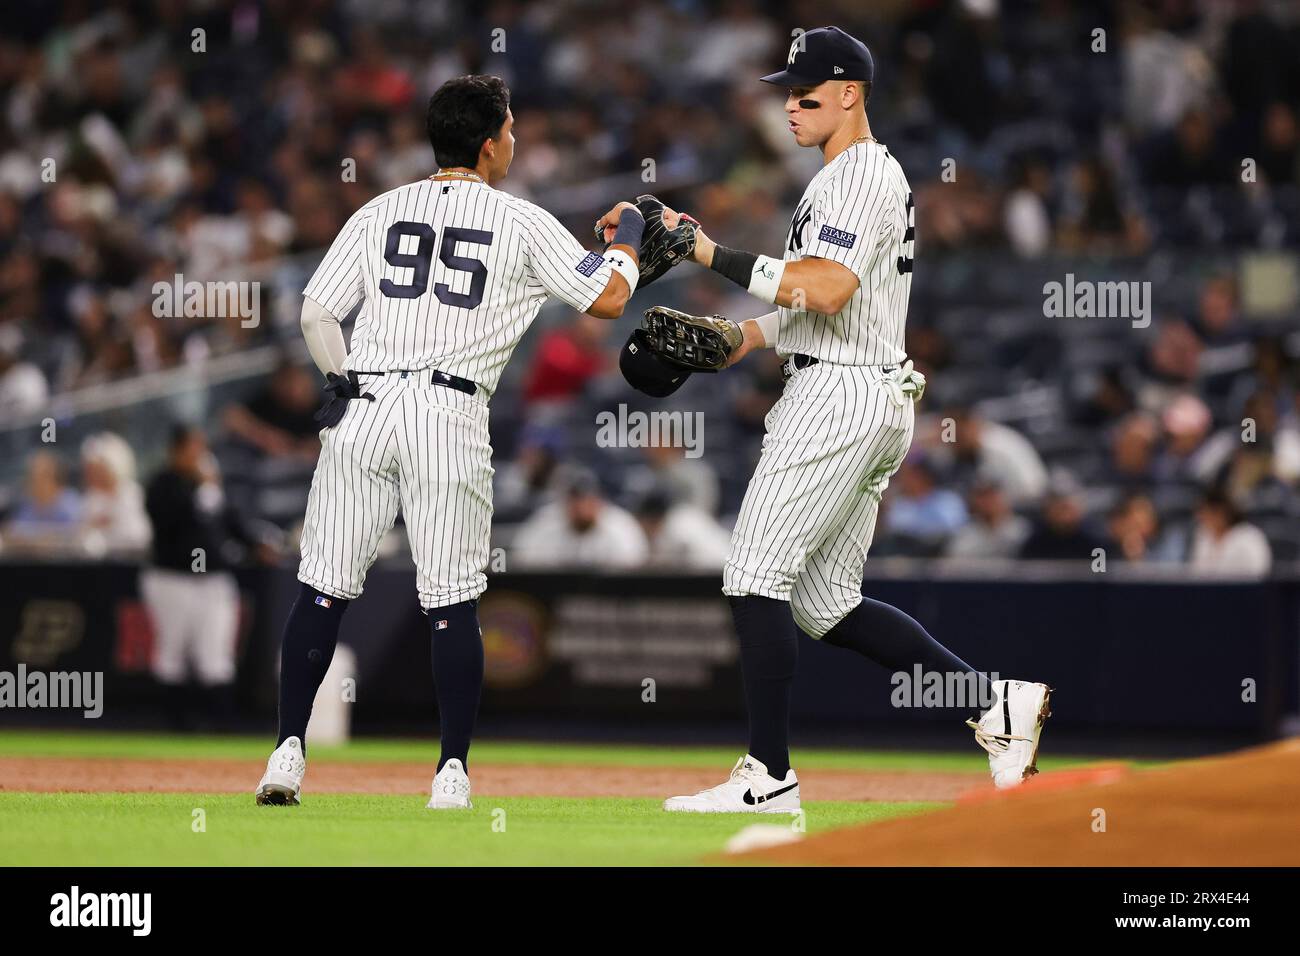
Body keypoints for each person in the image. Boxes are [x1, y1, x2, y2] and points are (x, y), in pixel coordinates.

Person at [640, 28, 1050, 813]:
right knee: (824, 604)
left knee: (753, 576)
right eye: (786, 92)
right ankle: (998, 707)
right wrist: (744, 336)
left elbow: (824, 290)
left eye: (806, 92)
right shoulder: (840, 177)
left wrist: (705, 251)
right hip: (863, 389)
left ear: (849, 94)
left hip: (839, 399)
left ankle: (769, 775)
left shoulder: (860, 174)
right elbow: (823, 305)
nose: (789, 105)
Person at [256, 75, 645, 809]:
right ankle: (450, 773)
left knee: (323, 589)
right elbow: (609, 298)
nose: (516, 142)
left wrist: (338, 381)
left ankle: (285, 755)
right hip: (447, 408)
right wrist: (627, 238)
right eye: (512, 130)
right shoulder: (521, 220)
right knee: (452, 602)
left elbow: (315, 314)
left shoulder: (380, 208)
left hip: (365, 402)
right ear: (492, 140)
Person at [142, 425, 279, 728]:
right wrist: (199, 490)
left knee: (216, 651)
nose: (200, 454)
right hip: (172, 578)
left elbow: (231, 523)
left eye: (202, 448)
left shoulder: (211, 488)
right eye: (193, 448)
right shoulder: (163, 485)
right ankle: (174, 726)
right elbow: (169, 524)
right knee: (172, 650)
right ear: (177, 451)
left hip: (214, 580)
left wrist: (258, 545)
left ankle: (222, 727)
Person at [510, 469, 648, 570]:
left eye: (586, 500)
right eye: (575, 500)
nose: (581, 507)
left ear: (598, 500)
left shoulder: (620, 525)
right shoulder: (545, 522)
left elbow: (634, 569)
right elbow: (521, 562)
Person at [80, 432, 152, 555]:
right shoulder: (91, 499)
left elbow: (140, 535)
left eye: (98, 470)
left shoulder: (132, 494)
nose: (93, 475)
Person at [1189, 488, 1271, 577]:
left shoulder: (1249, 538)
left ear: (1220, 513)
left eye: (1204, 513)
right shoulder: (1204, 537)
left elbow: (1256, 576)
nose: (1200, 518)